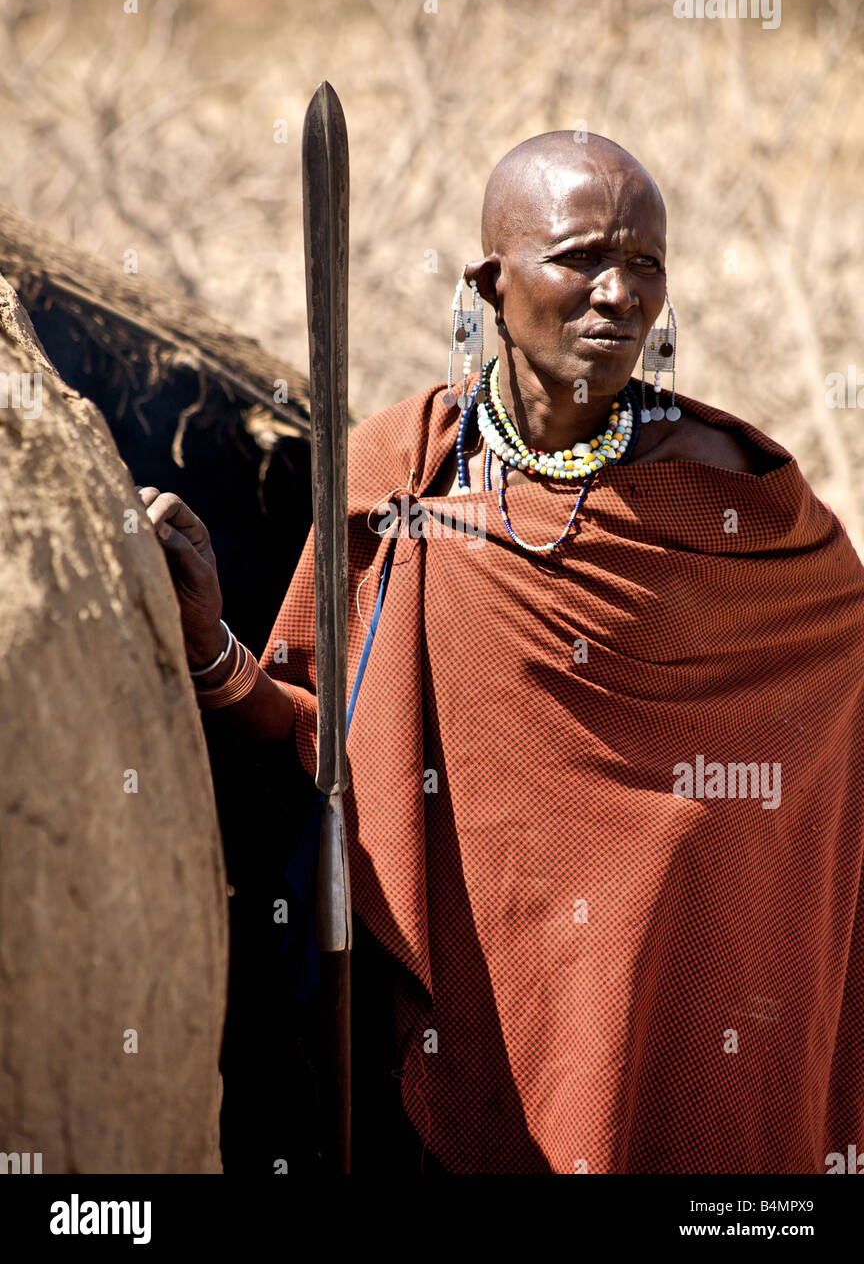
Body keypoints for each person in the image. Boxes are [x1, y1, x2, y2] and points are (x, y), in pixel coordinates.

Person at [142, 131, 864, 1174]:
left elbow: (832, 696)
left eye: (645, 265)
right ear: (491, 282)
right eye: (581, 259)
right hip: (472, 984)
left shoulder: (733, 501)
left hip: (685, 988)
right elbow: (333, 751)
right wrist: (212, 650)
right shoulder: (399, 478)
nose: (618, 294)